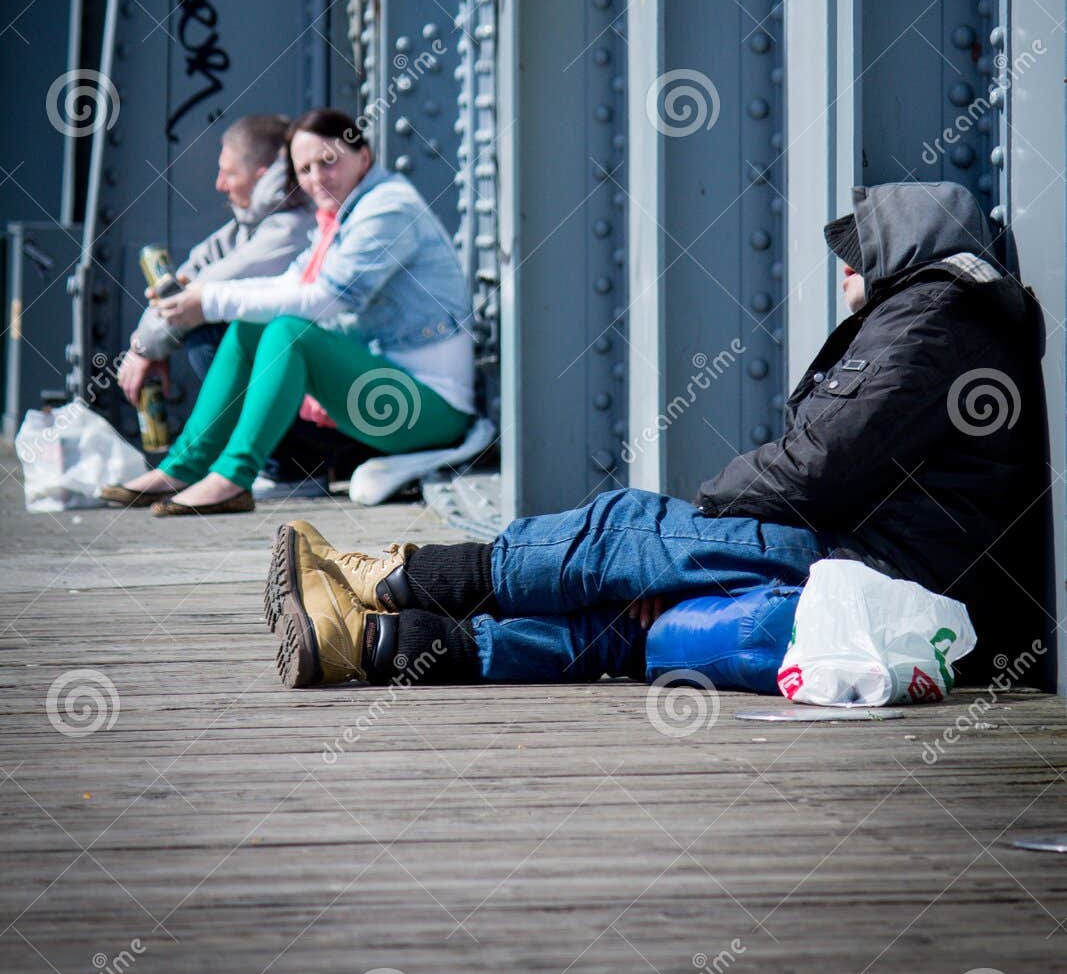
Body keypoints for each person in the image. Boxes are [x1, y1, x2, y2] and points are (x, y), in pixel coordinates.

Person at [259, 181, 1048, 691]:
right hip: (883, 562)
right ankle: (370, 643)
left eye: (856, 250)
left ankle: (386, 579)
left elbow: (816, 469)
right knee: (613, 621)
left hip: (878, 566)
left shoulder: (928, 323)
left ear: (903, 241)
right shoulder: (935, 322)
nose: (844, 269)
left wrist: (708, 507)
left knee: (618, 532)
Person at [101, 109, 476, 514]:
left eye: (328, 162)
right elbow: (291, 285)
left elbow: (327, 299)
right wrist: (206, 294)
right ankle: (184, 466)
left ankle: (232, 477)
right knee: (250, 329)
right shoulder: (341, 216)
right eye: (305, 169)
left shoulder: (388, 210)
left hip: (430, 411)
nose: (317, 179)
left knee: (288, 333)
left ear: (363, 157)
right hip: (390, 394)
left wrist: (209, 301)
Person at [118, 114, 314, 398]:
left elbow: (207, 287)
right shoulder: (252, 223)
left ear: (263, 176)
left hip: (311, 384)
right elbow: (196, 269)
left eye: (230, 174)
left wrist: (144, 347)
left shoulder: (293, 226)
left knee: (207, 340)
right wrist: (147, 344)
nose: (219, 184)